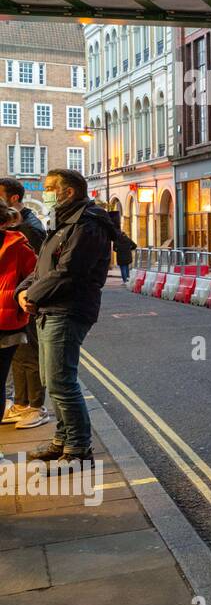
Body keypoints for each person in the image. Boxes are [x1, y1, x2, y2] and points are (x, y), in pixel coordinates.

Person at [18, 169, 114, 465]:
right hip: (50, 307)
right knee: (51, 380)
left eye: (50, 188)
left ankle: (78, 448)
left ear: (69, 191)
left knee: (61, 382)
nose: (46, 192)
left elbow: (69, 272)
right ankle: (63, 440)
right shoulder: (63, 221)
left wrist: (32, 296)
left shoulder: (87, 225)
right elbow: (41, 267)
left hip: (68, 309)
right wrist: (23, 292)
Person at [0, 177, 46, 431]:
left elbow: (38, 270)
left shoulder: (27, 230)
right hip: (10, 310)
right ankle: (21, 404)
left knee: (29, 356)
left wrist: (25, 296)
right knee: (19, 359)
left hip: (19, 308)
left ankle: (35, 407)